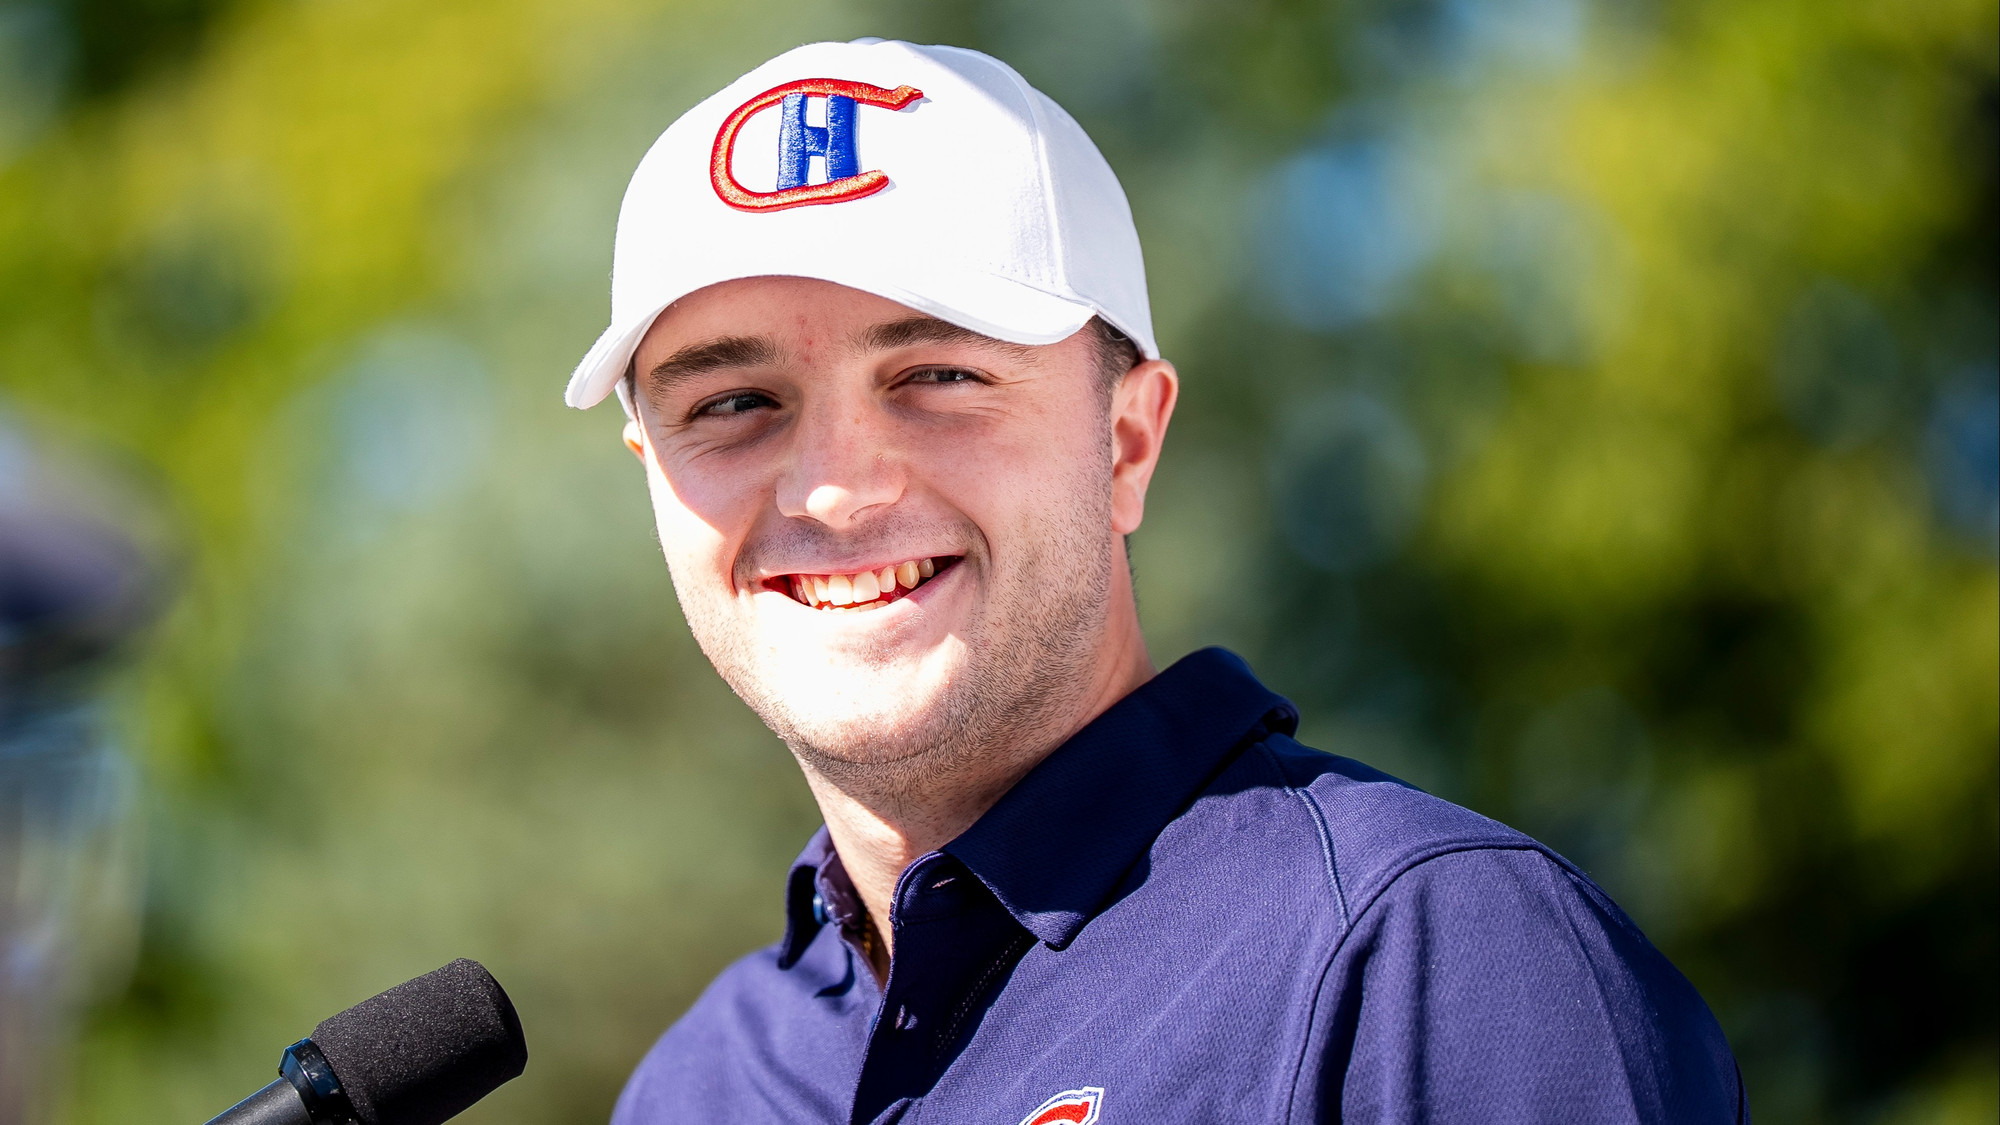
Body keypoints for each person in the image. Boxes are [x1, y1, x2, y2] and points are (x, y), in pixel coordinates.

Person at [566, 38, 1747, 1125]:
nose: (831, 488)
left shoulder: (1434, 959)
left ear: (1125, 442)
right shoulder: (700, 1086)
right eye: (729, 405)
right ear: (651, 476)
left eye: (934, 374)